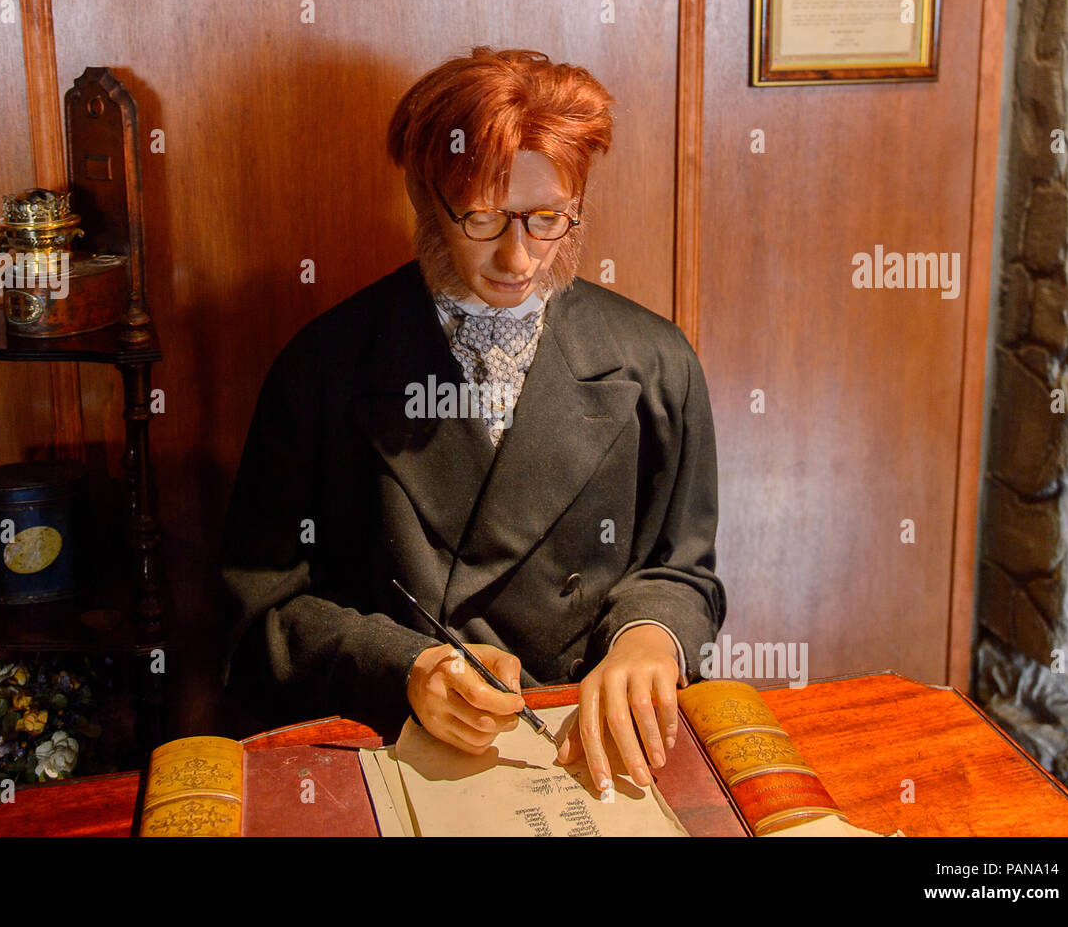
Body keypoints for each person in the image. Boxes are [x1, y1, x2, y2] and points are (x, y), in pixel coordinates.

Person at [221, 46, 726, 794]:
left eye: (548, 217)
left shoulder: (656, 361)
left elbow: (683, 569)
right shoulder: (322, 368)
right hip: (387, 754)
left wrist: (649, 635)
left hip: (588, 751)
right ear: (428, 199)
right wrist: (405, 670)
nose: (518, 256)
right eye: (483, 218)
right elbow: (259, 617)